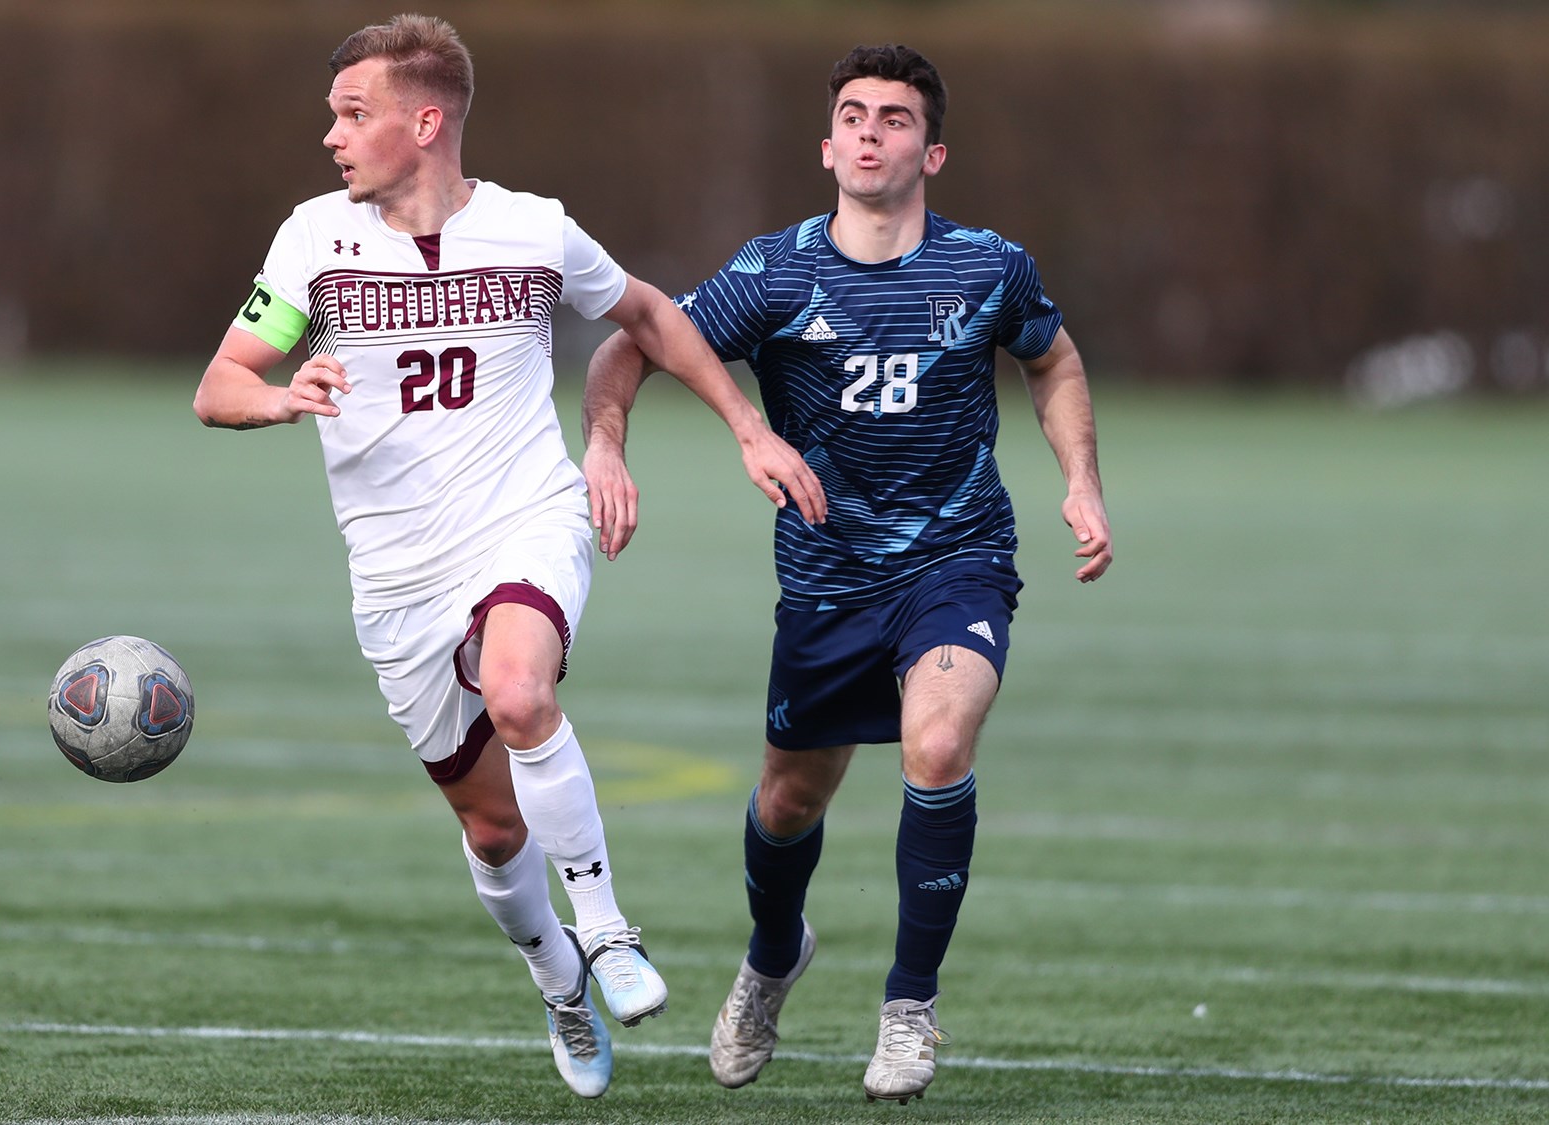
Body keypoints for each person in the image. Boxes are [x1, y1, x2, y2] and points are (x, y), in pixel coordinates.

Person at [190, 15, 819, 1100]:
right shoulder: (313, 240)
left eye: (353, 114)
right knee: (491, 827)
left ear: (425, 121)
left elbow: (648, 314)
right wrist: (282, 395)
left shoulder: (534, 229)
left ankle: (607, 930)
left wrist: (745, 426)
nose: (331, 136)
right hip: (396, 574)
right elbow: (219, 384)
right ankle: (559, 980)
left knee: (520, 690)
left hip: (525, 515)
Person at [581, 43, 1112, 1104]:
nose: (871, 132)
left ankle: (909, 1007)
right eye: (854, 117)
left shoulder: (987, 267)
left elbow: (1049, 356)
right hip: (826, 580)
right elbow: (633, 340)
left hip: (958, 560)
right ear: (827, 147)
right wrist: (604, 444)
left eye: (895, 118)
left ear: (932, 152)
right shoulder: (774, 273)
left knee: (938, 743)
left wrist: (1081, 481)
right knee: (786, 802)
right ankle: (773, 955)